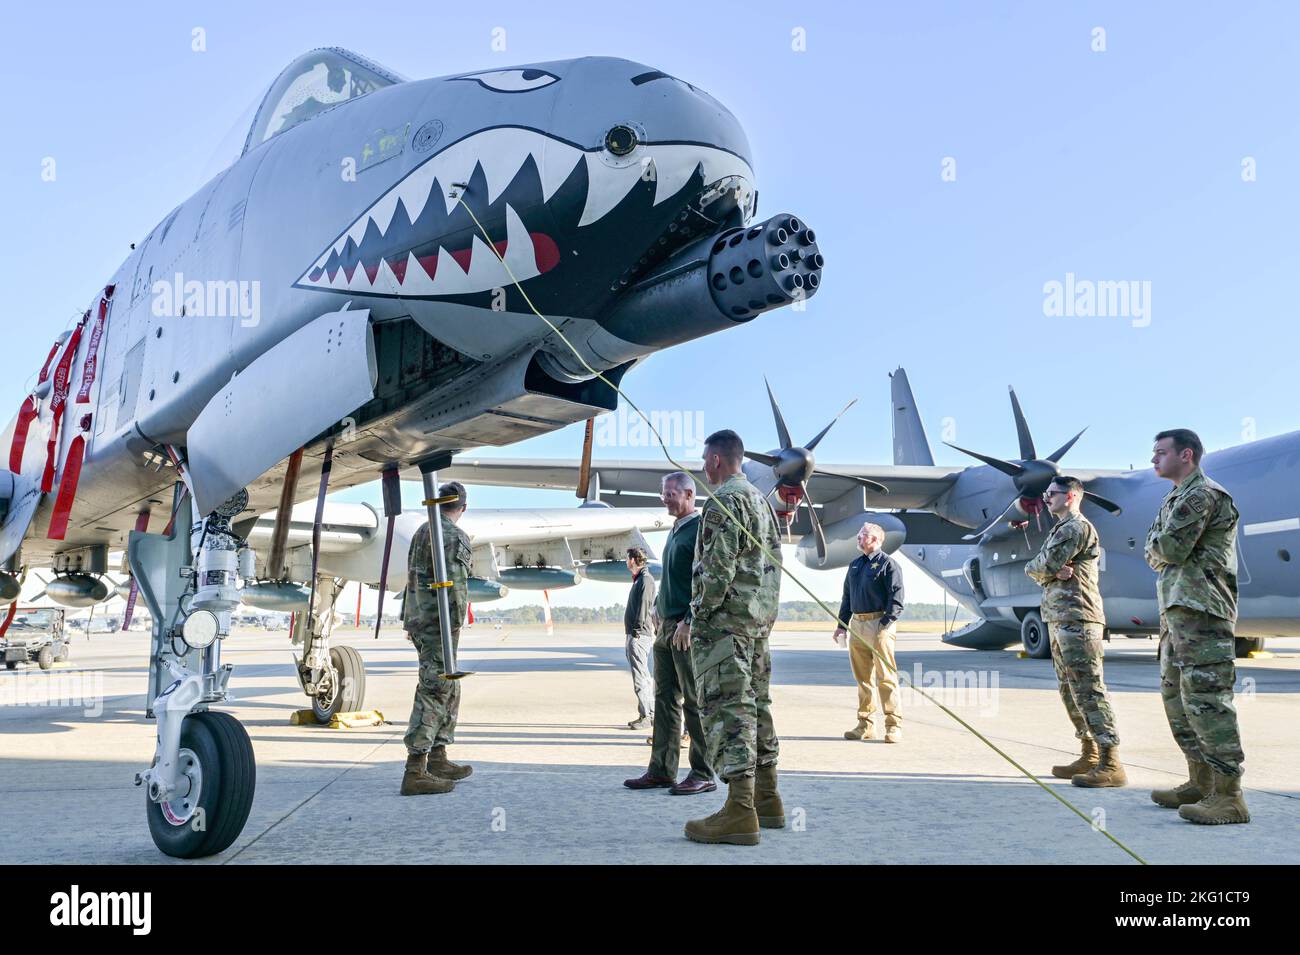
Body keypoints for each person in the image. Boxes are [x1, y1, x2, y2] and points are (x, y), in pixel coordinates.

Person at [678, 430, 783, 845]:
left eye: (705, 460)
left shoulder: (723, 502)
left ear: (717, 461)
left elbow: (715, 571)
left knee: (729, 711)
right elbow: (772, 567)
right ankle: (768, 798)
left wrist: (695, 616)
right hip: (756, 626)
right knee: (757, 705)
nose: (703, 467)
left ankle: (740, 811)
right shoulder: (761, 502)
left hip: (725, 627)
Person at [1145, 429, 1249, 824]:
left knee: (1208, 701)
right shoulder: (1176, 496)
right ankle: (1200, 781)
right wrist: (1159, 547)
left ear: (1185, 454)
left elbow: (1167, 549)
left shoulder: (1202, 494)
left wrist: (1158, 547)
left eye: (1160, 452)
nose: (1154, 459)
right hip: (1177, 611)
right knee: (1178, 700)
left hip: (1203, 611)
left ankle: (1229, 796)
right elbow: (1154, 550)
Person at [1024, 476, 1125, 786]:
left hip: (1078, 617)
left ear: (1070, 496)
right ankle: (1089, 753)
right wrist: (1047, 571)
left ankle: (1111, 763)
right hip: (1059, 617)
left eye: (1051, 493)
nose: (1046, 498)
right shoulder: (1060, 528)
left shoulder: (1074, 528)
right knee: (1070, 689)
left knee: (1088, 689)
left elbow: (1042, 564)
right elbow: (1039, 567)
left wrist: (1045, 569)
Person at [624, 472, 715, 795]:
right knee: (664, 699)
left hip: (685, 629)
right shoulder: (675, 530)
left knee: (693, 700)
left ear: (689, 495)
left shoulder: (699, 530)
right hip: (665, 626)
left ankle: (702, 771)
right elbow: (674, 579)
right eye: (662, 493)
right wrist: (657, 608)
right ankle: (661, 769)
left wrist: (690, 619)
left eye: (670, 493)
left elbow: (704, 579)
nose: (663, 498)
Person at [400, 481, 474, 796]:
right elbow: (456, 586)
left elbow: (413, 576)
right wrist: (455, 623)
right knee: (436, 686)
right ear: (463, 508)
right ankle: (415, 769)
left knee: (449, 684)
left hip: (418, 617)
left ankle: (438, 756)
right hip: (438, 622)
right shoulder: (454, 536)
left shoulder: (421, 531)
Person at [832, 522, 905, 743]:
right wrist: (841, 625)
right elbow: (847, 598)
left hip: (879, 623)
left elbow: (897, 599)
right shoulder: (855, 565)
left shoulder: (889, 565)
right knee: (862, 679)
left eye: (863, 535)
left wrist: (885, 624)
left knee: (886, 677)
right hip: (858, 624)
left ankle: (893, 725)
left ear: (875, 540)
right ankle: (865, 725)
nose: (858, 537)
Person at [622, 546, 656, 730]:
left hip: (638, 636)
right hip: (635, 635)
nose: (626, 562)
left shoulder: (645, 580)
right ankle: (646, 713)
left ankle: (647, 716)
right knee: (641, 676)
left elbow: (643, 608)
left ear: (633, 560)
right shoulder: (639, 580)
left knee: (641, 678)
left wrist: (635, 632)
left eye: (627, 558)